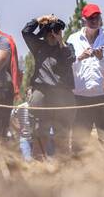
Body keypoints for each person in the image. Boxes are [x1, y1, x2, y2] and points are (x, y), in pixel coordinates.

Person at [21, 15, 77, 156]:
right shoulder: (38, 46)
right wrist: (40, 19)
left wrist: (60, 41)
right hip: (42, 93)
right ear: (44, 34)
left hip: (63, 95)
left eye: (57, 31)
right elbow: (26, 32)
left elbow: (70, 58)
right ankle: (38, 170)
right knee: (40, 135)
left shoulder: (67, 47)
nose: (53, 34)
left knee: (62, 136)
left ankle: (63, 170)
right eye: (50, 31)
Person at [69, 3, 104, 142]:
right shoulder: (73, 39)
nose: (95, 20)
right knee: (79, 141)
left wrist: (102, 58)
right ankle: (79, 163)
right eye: (91, 18)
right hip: (80, 98)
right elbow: (66, 65)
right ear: (83, 20)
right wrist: (80, 58)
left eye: (97, 17)